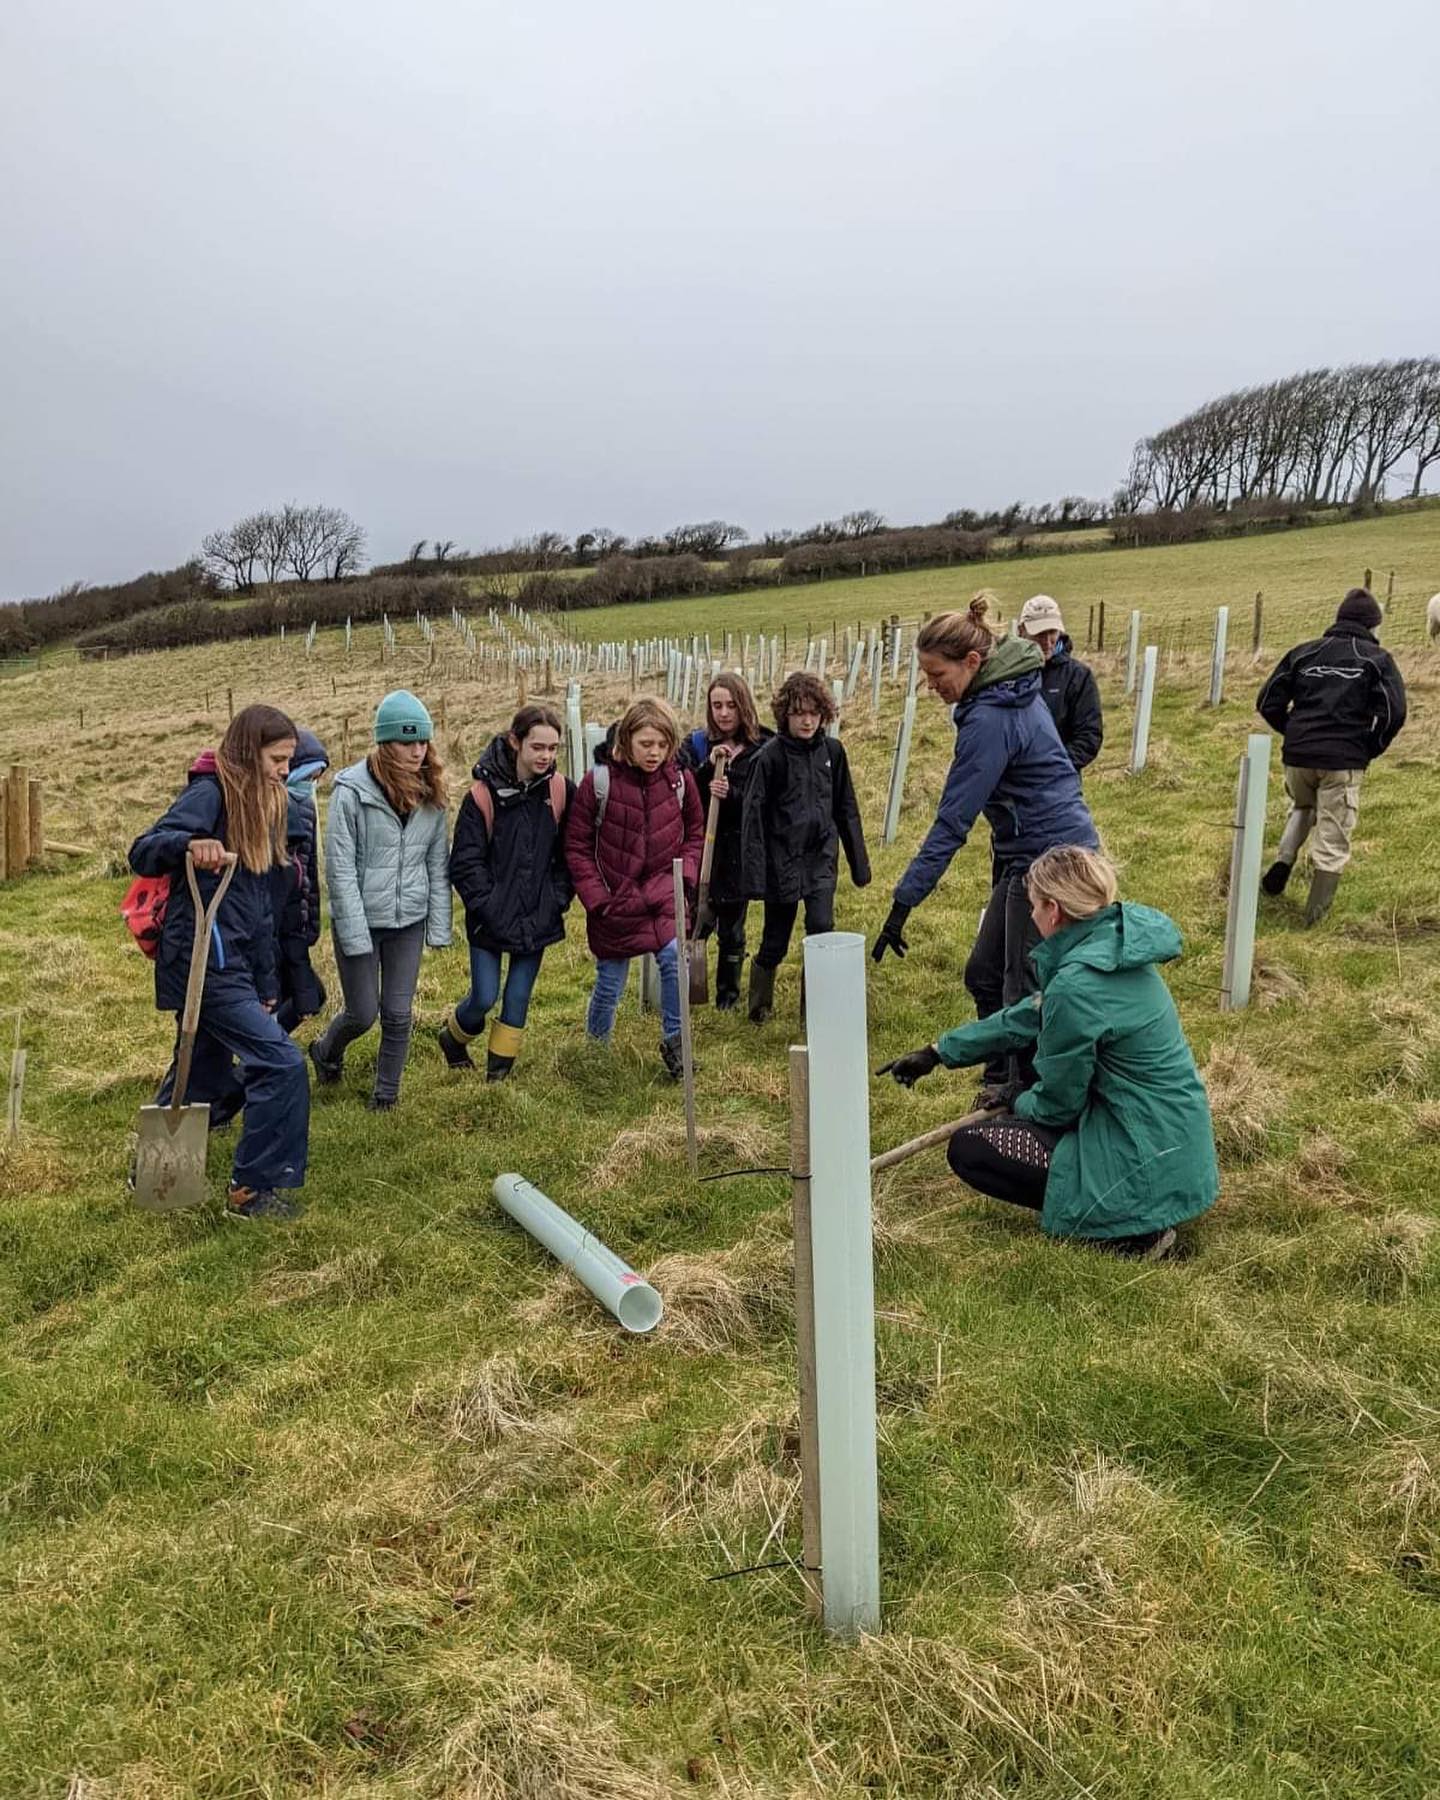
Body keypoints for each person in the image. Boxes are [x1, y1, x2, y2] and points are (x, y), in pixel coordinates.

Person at [879, 846, 1216, 1260]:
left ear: (1053, 910)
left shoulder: (1078, 985)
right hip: (1176, 1145)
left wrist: (1014, 1098)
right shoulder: (1113, 948)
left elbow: (1058, 1105)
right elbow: (1028, 1015)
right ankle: (1139, 1211)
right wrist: (938, 1052)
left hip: (1139, 1154)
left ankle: (1131, 1232)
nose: (1031, 916)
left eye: (1034, 905)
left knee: (973, 1148)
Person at [872, 595, 1099, 1104]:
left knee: (1022, 985)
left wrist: (904, 901)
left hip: (1052, 863)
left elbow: (953, 821)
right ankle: (1001, 1075)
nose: (932, 687)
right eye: (925, 677)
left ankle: (1025, 1097)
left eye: (937, 675)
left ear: (972, 662)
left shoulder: (991, 717)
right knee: (984, 973)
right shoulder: (1007, 691)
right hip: (1031, 853)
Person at [128, 705, 310, 1221]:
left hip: (236, 963)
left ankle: (153, 1171)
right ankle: (253, 1189)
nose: (284, 770)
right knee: (281, 1062)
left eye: (289, 760)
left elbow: (261, 910)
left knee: (202, 1066)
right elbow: (142, 850)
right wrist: (191, 842)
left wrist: (267, 980)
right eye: (277, 759)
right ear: (250, 753)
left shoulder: (267, 805)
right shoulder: (210, 793)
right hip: (202, 962)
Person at [310, 690, 452, 1110]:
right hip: (361, 919)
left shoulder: (432, 793)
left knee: (398, 1012)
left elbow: (436, 863)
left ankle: (386, 1096)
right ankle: (325, 1052)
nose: (417, 751)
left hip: (408, 919)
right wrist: (354, 936)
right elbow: (340, 870)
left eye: (422, 742)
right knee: (362, 1013)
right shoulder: (351, 792)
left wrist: (439, 927)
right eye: (407, 742)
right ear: (385, 744)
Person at [564, 696, 704, 1078]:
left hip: (664, 894)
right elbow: (576, 846)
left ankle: (677, 1044)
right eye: (646, 744)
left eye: (662, 744)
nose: (654, 753)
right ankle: (595, 1051)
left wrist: (686, 875)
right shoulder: (599, 782)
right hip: (615, 898)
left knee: (676, 960)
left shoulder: (680, 781)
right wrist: (596, 898)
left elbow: (695, 832)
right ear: (626, 740)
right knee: (610, 981)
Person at [1256, 587, 1407, 924]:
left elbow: (1267, 701)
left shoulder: (1303, 653)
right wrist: (1370, 746)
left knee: (1303, 806)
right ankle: (1315, 917)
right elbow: (1394, 711)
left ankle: (1283, 859)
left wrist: (1294, 732)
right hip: (1343, 758)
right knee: (1334, 831)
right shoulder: (1376, 660)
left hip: (1297, 756)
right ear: (1373, 625)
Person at [439, 705, 573, 1081]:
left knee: (517, 997)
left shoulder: (561, 791)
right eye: (537, 747)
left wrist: (557, 898)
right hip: (490, 918)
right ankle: (452, 1038)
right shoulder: (481, 796)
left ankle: (497, 1077)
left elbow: (571, 854)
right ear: (515, 742)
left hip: (537, 915)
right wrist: (489, 904)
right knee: (484, 996)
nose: (546, 756)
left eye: (552, 748)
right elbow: (465, 863)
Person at [739, 670, 870, 1024]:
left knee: (821, 929)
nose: (807, 720)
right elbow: (752, 821)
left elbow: (847, 808)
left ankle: (814, 1012)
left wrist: (860, 866)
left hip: (820, 859)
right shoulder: (769, 758)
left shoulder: (832, 752)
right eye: (799, 713)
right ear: (785, 715)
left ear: (823, 713)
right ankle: (758, 1009)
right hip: (781, 862)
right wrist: (753, 878)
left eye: (814, 712)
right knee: (775, 941)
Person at [678, 672, 772, 1010]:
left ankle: (727, 996)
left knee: (732, 927)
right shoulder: (697, 744)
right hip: (704, 847)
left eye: (731, 705)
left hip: (737, 851)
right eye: (716, 705)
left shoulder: (763, 747)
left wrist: (733, 793)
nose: (724, 713)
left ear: (743, 705)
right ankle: (688, 990)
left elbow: (768, 800)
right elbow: (681, 789)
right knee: (696, 919)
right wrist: (706, 772)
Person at [273, 727, 330, 1034]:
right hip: (278, 931)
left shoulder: (305, 809)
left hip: (296, 927)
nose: (311, 786)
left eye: (317, 779)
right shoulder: (274, 812)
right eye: (307, 778)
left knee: (307, 996)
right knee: (300, 995)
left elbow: (307, 871)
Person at [1015, 594, 1103, 772]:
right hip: (1010, 787)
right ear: (1021, 631)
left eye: (1052, 632)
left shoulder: (1078, 676)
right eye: (1039, 634)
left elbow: (1088, 736)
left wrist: (1051, 769)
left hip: (1059, 784)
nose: (1047, 642)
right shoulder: (1006, 674)